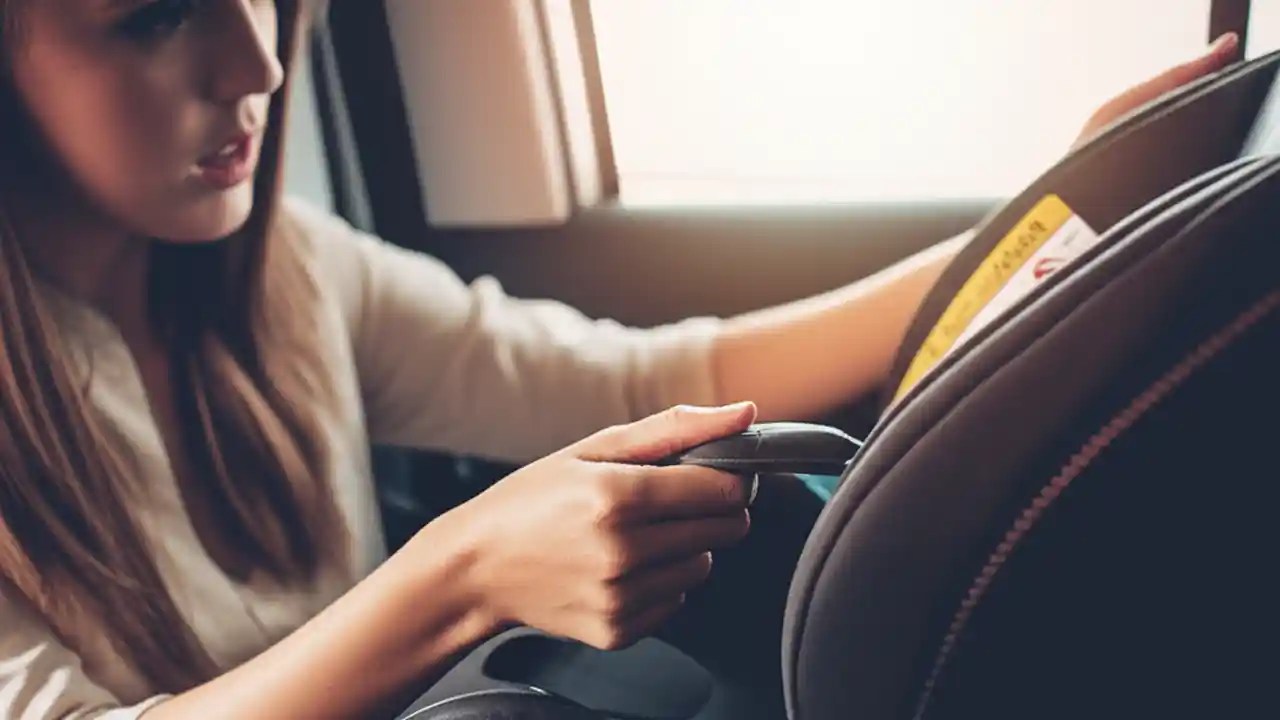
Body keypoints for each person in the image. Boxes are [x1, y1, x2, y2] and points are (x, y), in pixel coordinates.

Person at [0, 1, 1240, 717]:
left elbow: (642, 379)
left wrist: (1053, 219)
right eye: (154, 11)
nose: (257, 62)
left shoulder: (288, 271)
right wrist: (460, 576)